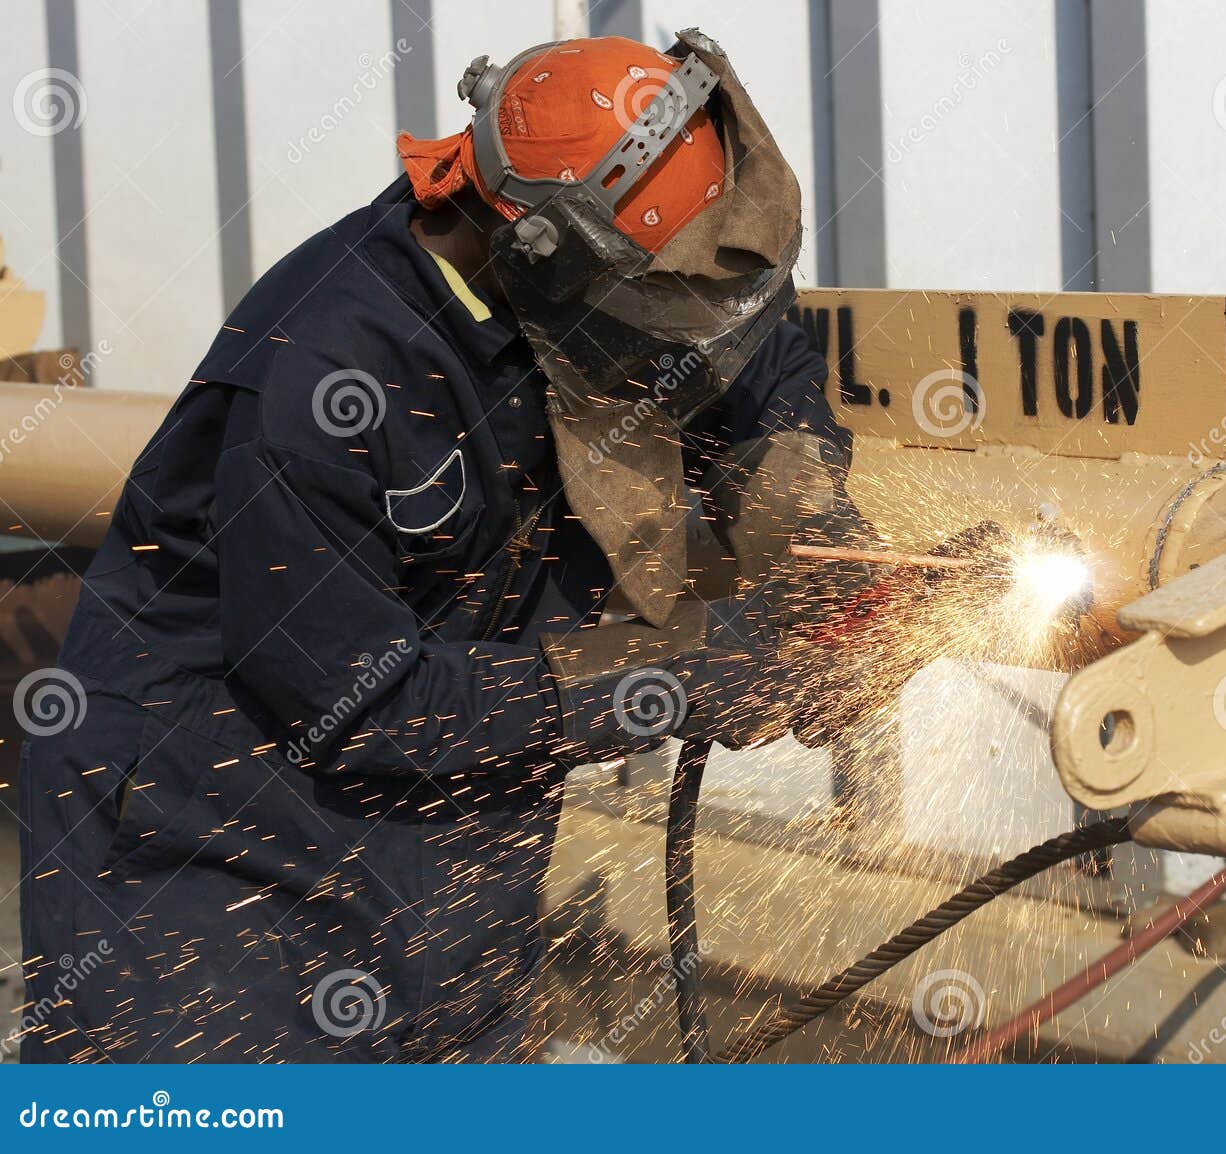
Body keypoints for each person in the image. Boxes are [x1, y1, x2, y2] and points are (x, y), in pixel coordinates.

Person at [19, 30, 870, 1063]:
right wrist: (681, 671)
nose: (676, 346)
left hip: (458, 847)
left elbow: (750, 342)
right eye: (654, 314)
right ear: (544, 249)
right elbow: (365, 700)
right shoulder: (323, 374)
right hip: (212, 851)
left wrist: (815, 539)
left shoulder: (593, 280)